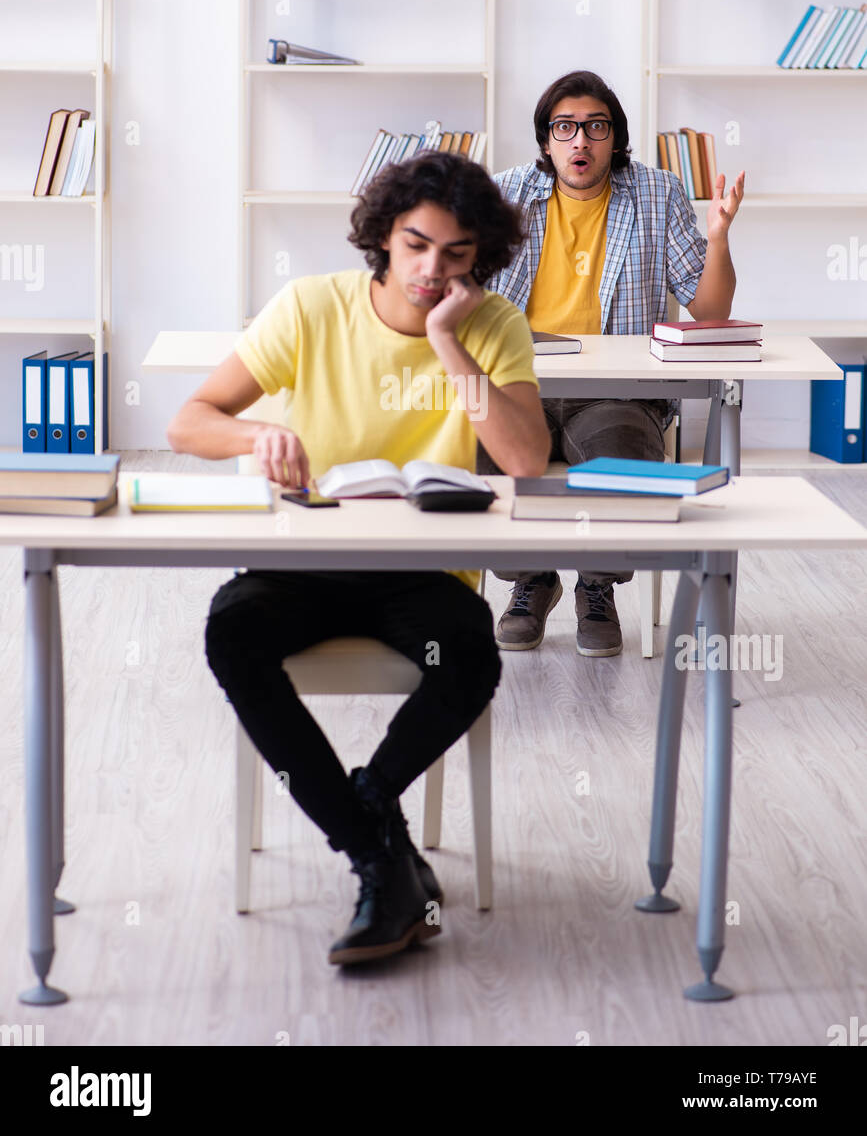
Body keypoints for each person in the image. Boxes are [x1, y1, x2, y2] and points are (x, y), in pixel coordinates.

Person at [166, 151, 550, 966]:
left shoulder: (493, 323)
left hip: (421, 573)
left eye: (455, 254)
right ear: (383, 236)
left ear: (480, 256)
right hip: (304, 561)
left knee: (469, 654)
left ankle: (367, 805)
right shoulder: (310, 306)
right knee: (233, 631)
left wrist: (449, 340)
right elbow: (187, 421)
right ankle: (379, 855)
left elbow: (522, 461)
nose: (430, 270)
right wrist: (253, 433)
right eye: (415, 245)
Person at [480, 69, 744, 658]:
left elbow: (709, 311)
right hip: (520, 386)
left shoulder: (657, 192)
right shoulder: (504, 195)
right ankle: (531, 579)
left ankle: (596, 588)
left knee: (625, 458)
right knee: (466, 460)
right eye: (565, 127)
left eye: (596, 127)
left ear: (615, 138)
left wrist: (719, 238)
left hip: (619, 392)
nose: (580, 141)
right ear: (546, 140)